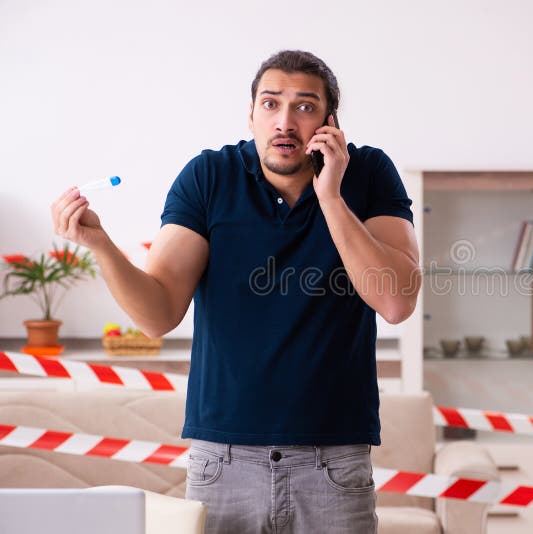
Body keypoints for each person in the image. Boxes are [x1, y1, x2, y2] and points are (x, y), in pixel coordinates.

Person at [50, 49, 421, 534]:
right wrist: (99, 243)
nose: (285, 121)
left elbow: (396, 302)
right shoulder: (208, 178)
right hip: (222, 462)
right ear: (250, 113)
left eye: (305, 107)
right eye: (270, 104)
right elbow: (158, 312)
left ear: (330, 121)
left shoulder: (367, 174)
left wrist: (330, 196)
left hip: (333, 460)